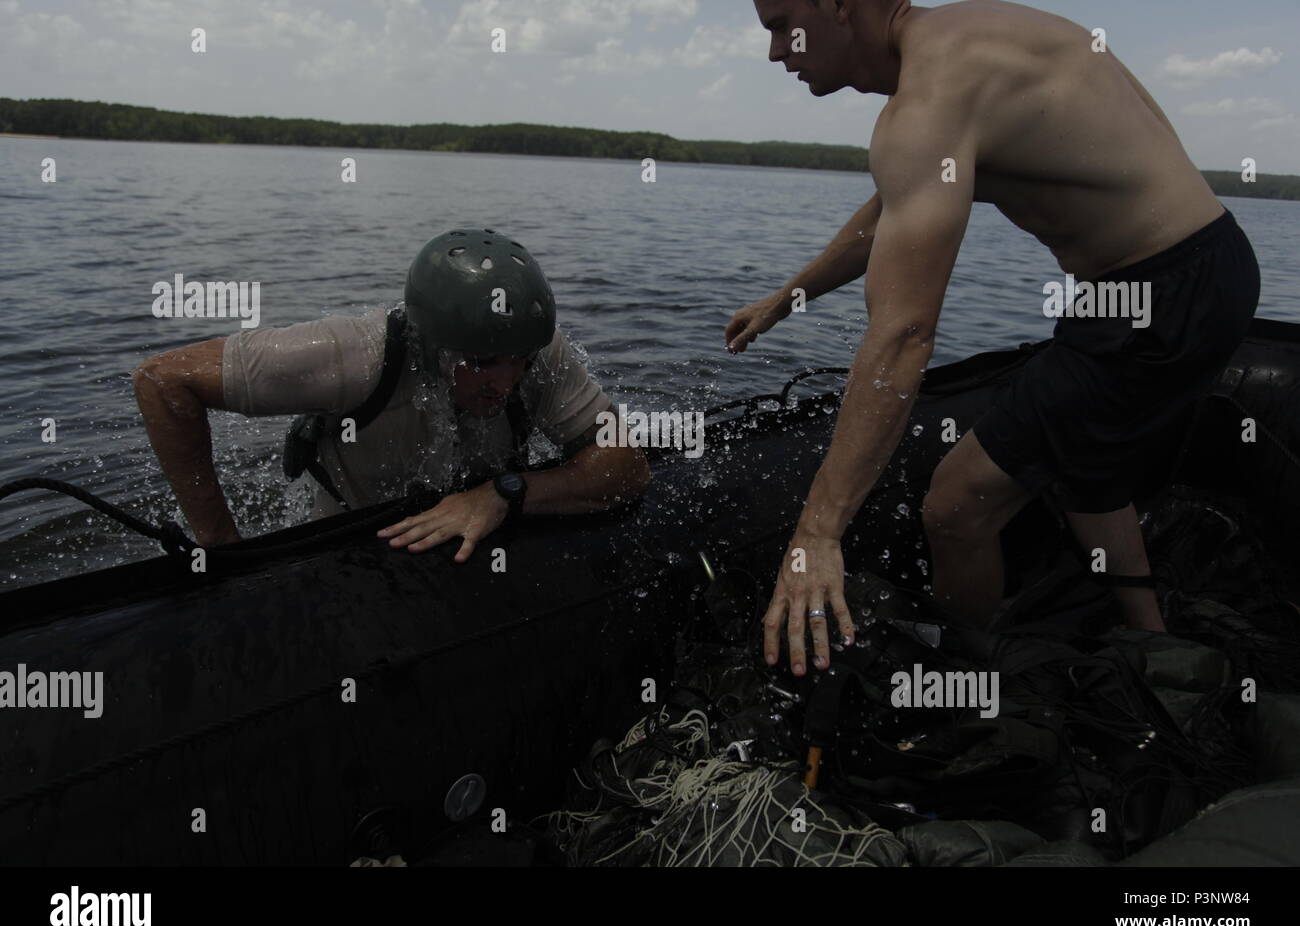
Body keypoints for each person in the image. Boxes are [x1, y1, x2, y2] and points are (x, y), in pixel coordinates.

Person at [730, 0, 1260, 675]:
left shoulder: (931, 97)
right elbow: (896, 201)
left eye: (781, 23)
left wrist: (818, 532)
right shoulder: (966, 45)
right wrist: (789, 296)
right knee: (1089, 469)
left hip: (1160, 296)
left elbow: (904, 334)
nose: (777, 51)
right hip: (1203, 267)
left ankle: (970, 686)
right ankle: (1156, 644)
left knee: (957, 507)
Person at [134, 228, 650, 560]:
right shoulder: (355, 356)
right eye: (484, 365)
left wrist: (506, 494)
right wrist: (220, 544)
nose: (507, 382)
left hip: (476, 527)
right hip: (348, 543)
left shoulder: (535, 347)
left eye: (522, 363)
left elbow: (627, 464)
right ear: (437, 348)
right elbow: (162, 381)